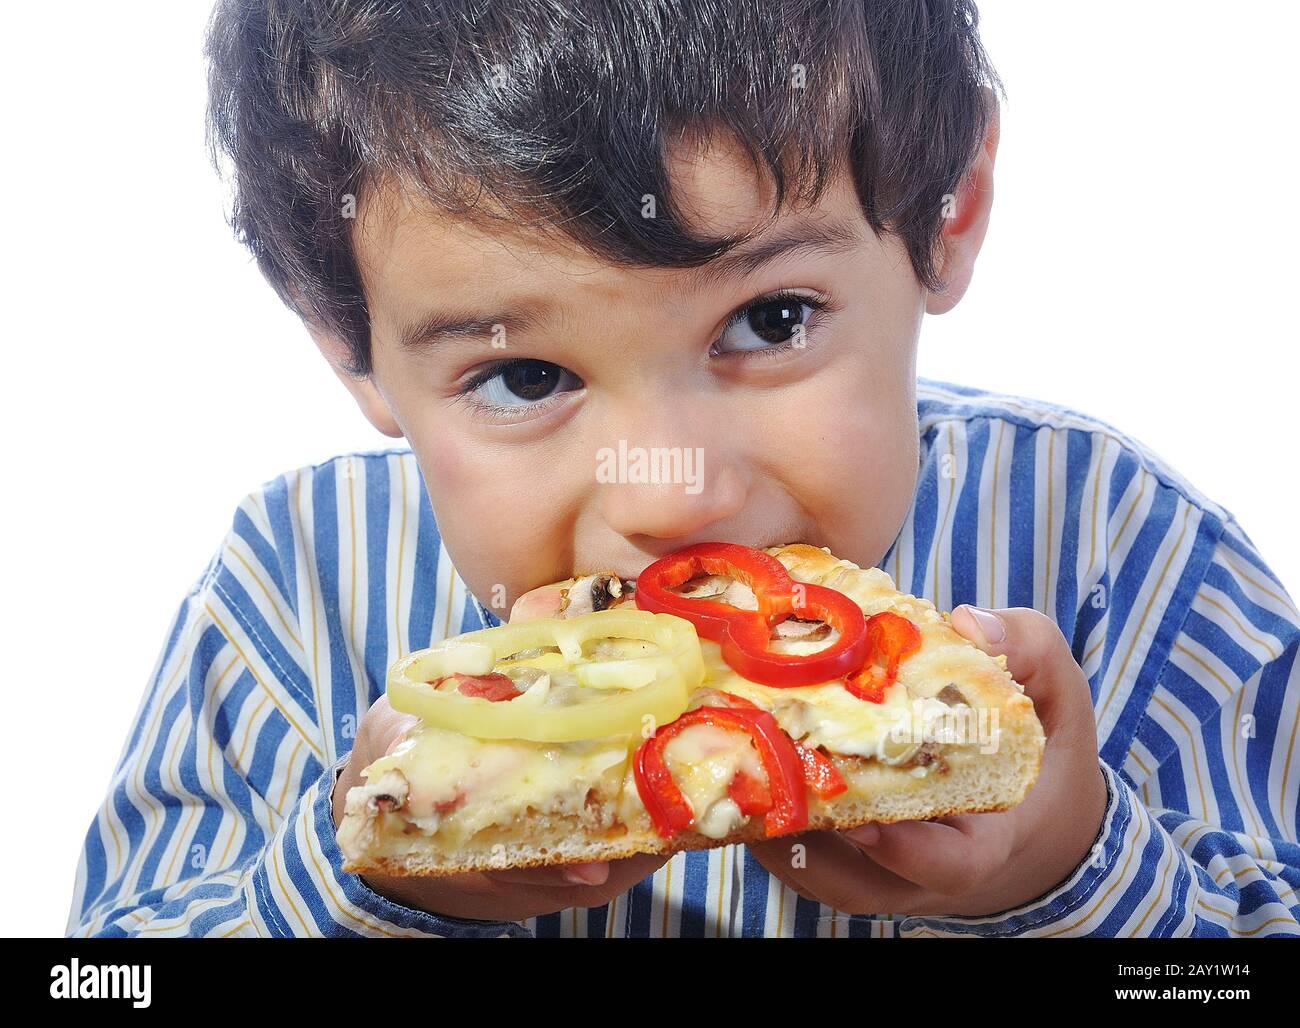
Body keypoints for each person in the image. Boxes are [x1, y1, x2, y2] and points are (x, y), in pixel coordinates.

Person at [67, 0, 1300, 937]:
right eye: (524, 378)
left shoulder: (1118, 551)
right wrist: (364, 881)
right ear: (349, 343)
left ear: (946, 208)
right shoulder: (292, 590)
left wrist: (1071, 873)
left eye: (769, 322)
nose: (671, 493)